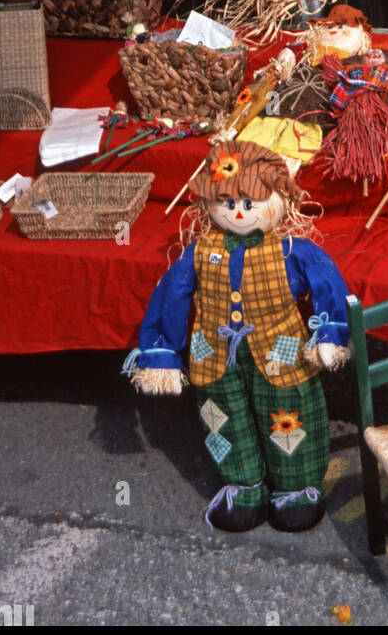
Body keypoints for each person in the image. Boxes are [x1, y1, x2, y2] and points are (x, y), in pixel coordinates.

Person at [124, 140, 349, 534]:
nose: (239, 212)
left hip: (282, 352)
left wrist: (329, 332)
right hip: (213, 354)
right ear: (209, 205)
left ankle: (295, 488)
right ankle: (244, 487)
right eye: (227, 203)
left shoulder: (292, 249)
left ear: (279, 202)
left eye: (250, 203)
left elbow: (328, 283)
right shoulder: (198, 252)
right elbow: (170, 296)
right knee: (222, 420)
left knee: (289, 418)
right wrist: (163, 353)